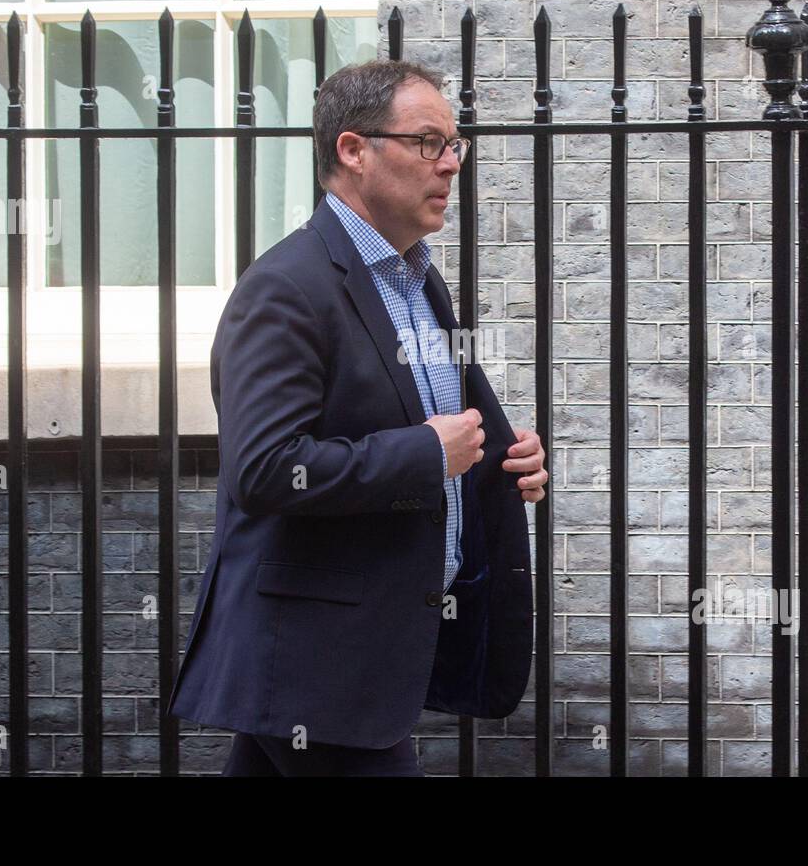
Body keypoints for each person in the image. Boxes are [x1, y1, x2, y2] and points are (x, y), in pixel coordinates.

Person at [165, 58, 547, 776]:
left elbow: (443, 419)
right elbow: (265, 469)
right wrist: (427, 455)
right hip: (315, 661)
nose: (451, 164)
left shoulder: (417, 279)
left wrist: (505, 457)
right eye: (429, 142)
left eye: (455, 145)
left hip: (351, 654)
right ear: (353, 150)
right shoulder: (285, 289)